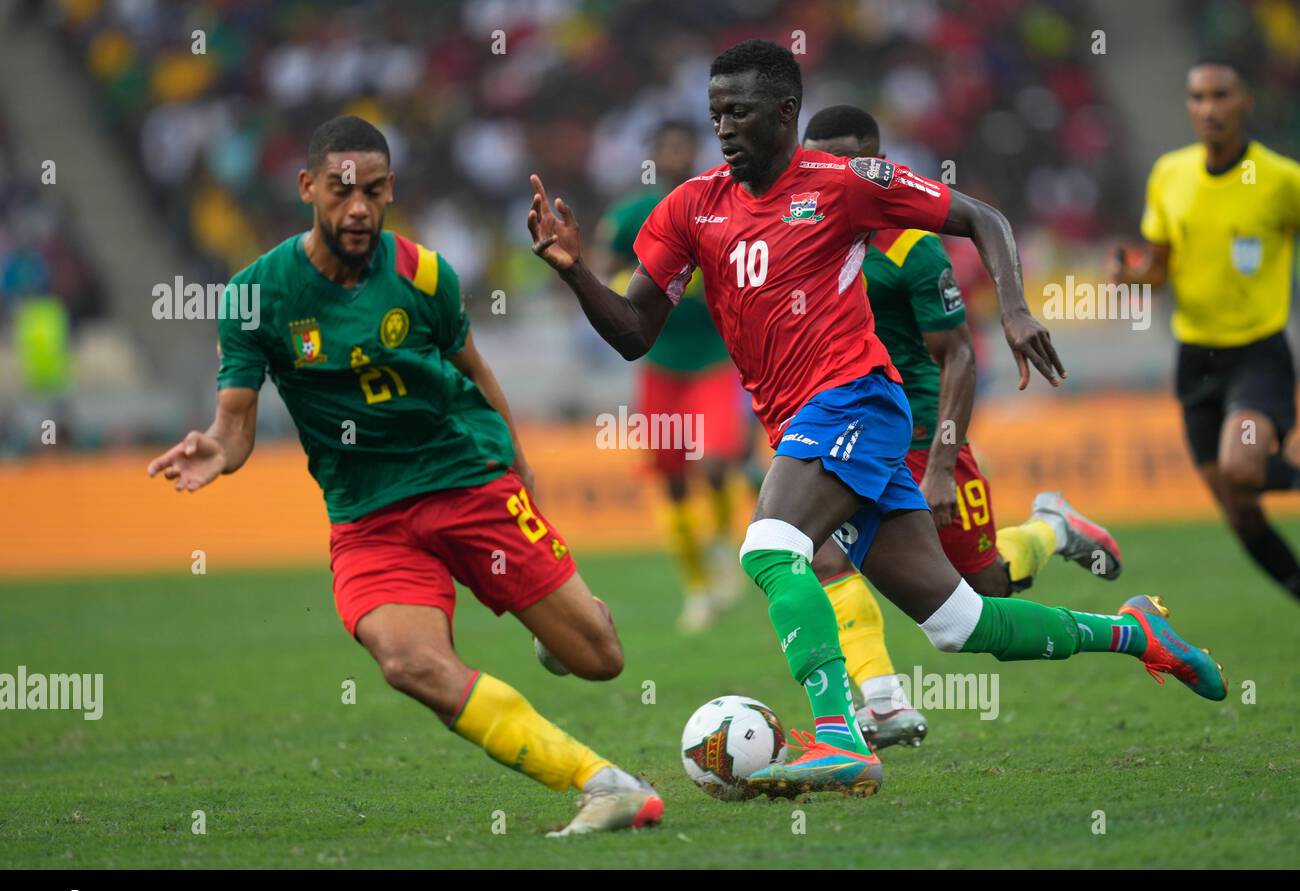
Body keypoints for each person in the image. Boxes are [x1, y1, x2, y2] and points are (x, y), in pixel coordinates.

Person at [528, 41, 1226, 799]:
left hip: (856, 396)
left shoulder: (844, 184)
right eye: (715, 114)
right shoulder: (691, 208)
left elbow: (982, 217)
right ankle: (1136, 633)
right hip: (803, 419)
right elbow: (635, 333)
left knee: (770, 546)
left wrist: (1017, 309)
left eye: (740, 112)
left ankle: (840, 738)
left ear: (786, 114)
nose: (723, 128)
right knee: (961, 619)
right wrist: (574, 274)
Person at [147, 116, 662, 837]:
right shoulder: (254, 294)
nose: (358, 207)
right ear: (308, 189)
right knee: (409, 662)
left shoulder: (423, 274)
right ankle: (601, 783)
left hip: (466, 481)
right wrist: (215, 449)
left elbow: (476, 375)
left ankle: (563, 617)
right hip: (369, 517)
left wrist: (521, 471)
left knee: (601, 660)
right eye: (341, 190)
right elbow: (233, 426)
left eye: (375, 190)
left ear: (391, 192)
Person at [800, 104, 1124, 749]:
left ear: (877, 164)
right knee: (819, 551)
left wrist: (944, 463)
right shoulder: (808, 239)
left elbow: (959, 356)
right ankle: (885, 704)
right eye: (816, 161)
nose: (826, 174)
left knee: (982, 588)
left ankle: (1051, 529)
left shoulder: (914, 252)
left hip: (922, 436)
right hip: (848, 434)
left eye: (841, 160)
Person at [1114, 58, 1300, 603]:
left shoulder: (1279, 179)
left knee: (1243, 466)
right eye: (1198, 98)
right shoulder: (1170, 174)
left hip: (1256, 354)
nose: (1209, 109)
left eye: (1221, 96)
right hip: (1195, 360)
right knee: (1239, 512)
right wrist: (1130, 275)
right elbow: (1158, 268)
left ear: (1245, 102)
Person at [594, 121, 747, 632]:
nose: (677, 156)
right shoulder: (630, 215)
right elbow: (604, 268)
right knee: (673, 480)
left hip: (712, 356)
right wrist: (618, 283)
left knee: (720, 459)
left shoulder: (720, 204)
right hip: (659, 362)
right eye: (668, 149)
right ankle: (697, 587)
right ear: (654, 158)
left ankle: (723, 545)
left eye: (685, 148)